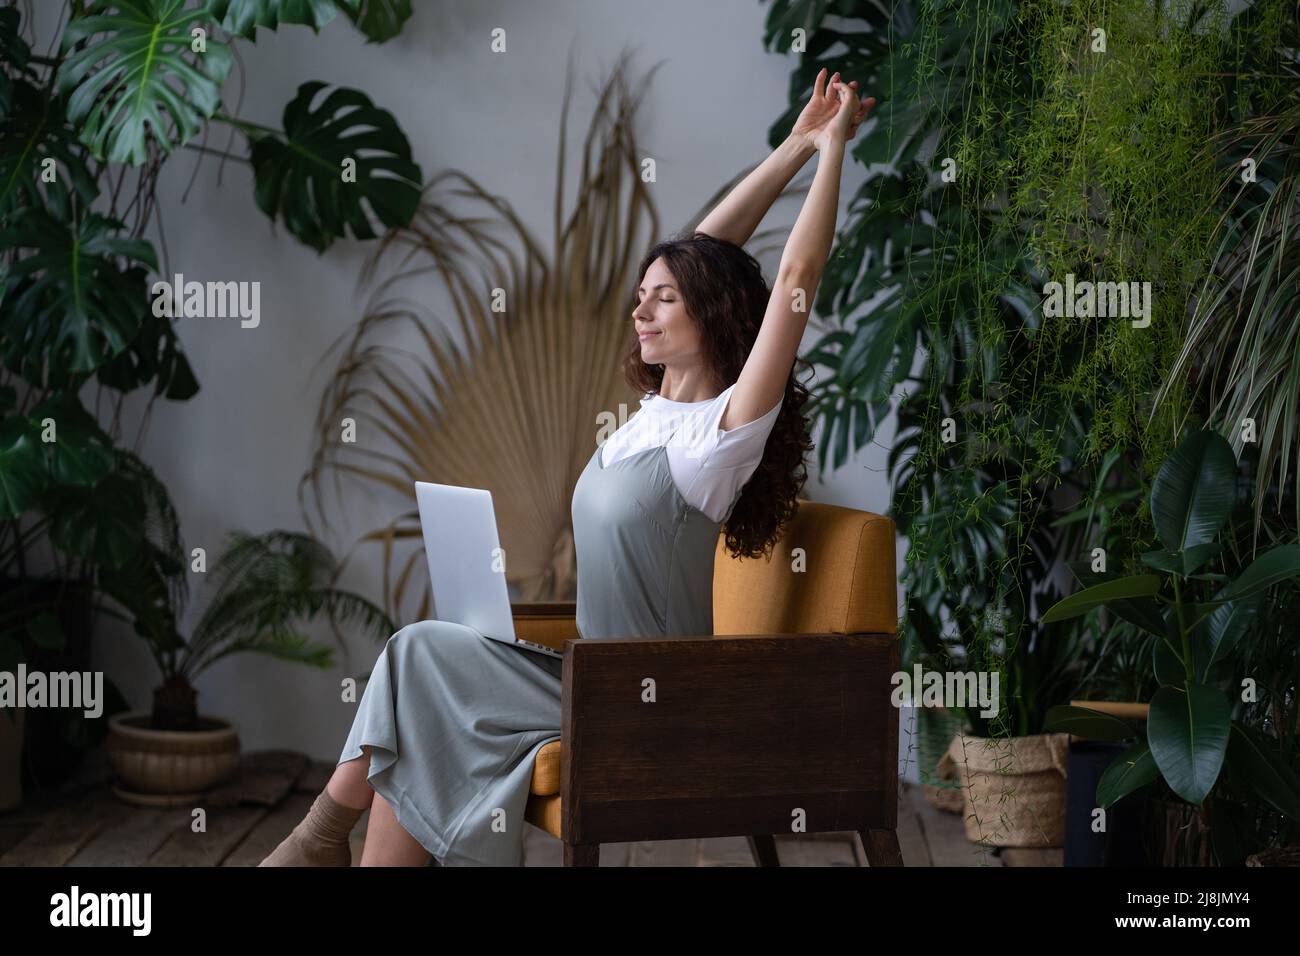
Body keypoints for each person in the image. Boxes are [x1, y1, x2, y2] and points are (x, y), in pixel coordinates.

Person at [259, 69, 873, 867]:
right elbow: (707, 251)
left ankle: (316, 839)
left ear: (712, 314)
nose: (640, 312)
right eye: (641, 296)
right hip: (589, 677)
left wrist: (829, 154)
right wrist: (793, 142)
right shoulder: (654, 419)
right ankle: (325, 843)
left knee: (415, 657)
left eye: (663, 301)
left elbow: (793, 278)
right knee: (420, 680)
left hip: (655, 699)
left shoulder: (723, 435)